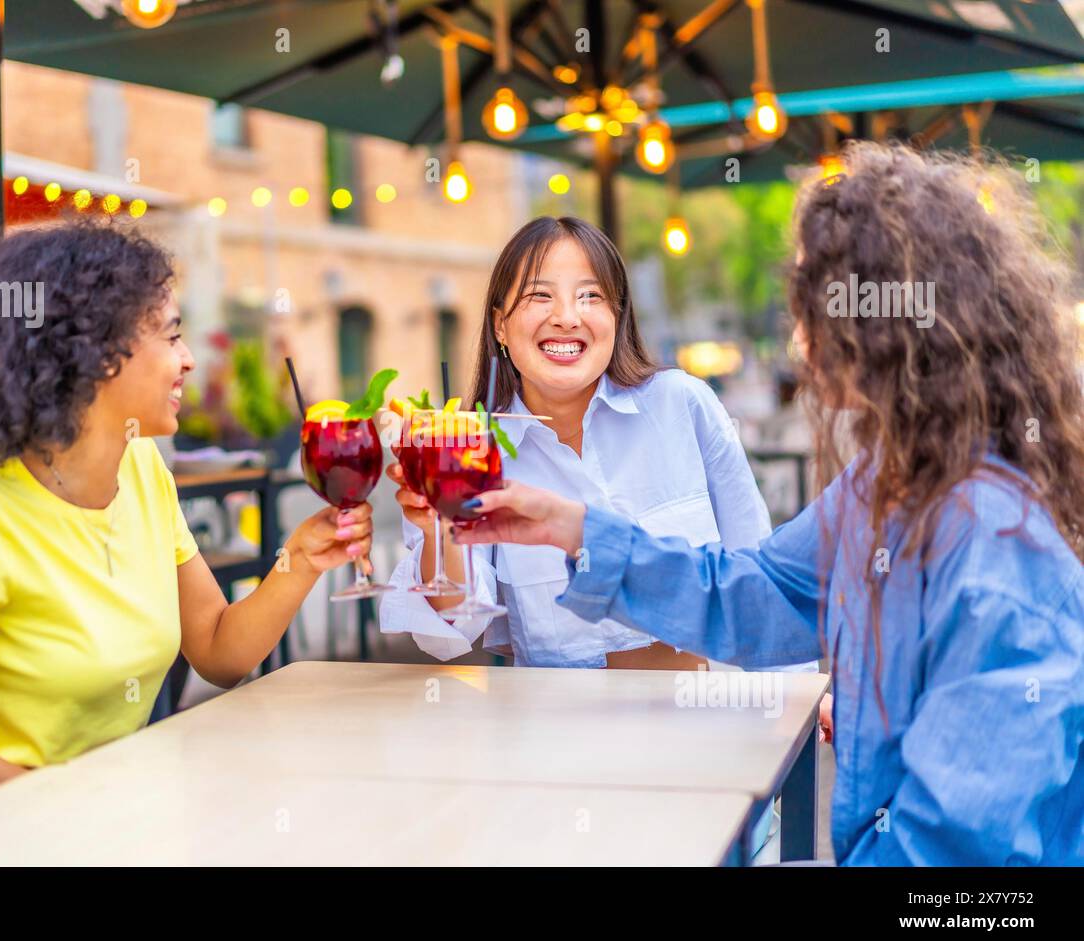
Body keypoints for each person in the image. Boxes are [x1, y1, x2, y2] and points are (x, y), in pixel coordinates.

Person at [452, 143, 1084, 865]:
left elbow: (943, 861)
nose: (796, 339)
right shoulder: (889, 485)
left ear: (885, 330)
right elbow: (754, 593)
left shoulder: (999, 556)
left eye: (811, 308)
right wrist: (575, 532)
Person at [0, 223, 374, 824]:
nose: (189, 359)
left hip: (104, 817)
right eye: (172, 336)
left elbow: (219, 650)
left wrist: (300, 559)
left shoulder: (142, 467)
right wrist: (100, 801)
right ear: (93, 356)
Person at [380, 215, 815, 859]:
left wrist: (797, 719)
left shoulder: (683, 405)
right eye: (538, 296)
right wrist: (437, 524)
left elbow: (762, 579)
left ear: (617, 316)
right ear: (500, 323)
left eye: (590, 296)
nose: (567, 317)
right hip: (558, 771)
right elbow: (448, 632)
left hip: (711, 755)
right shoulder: (471, 446)